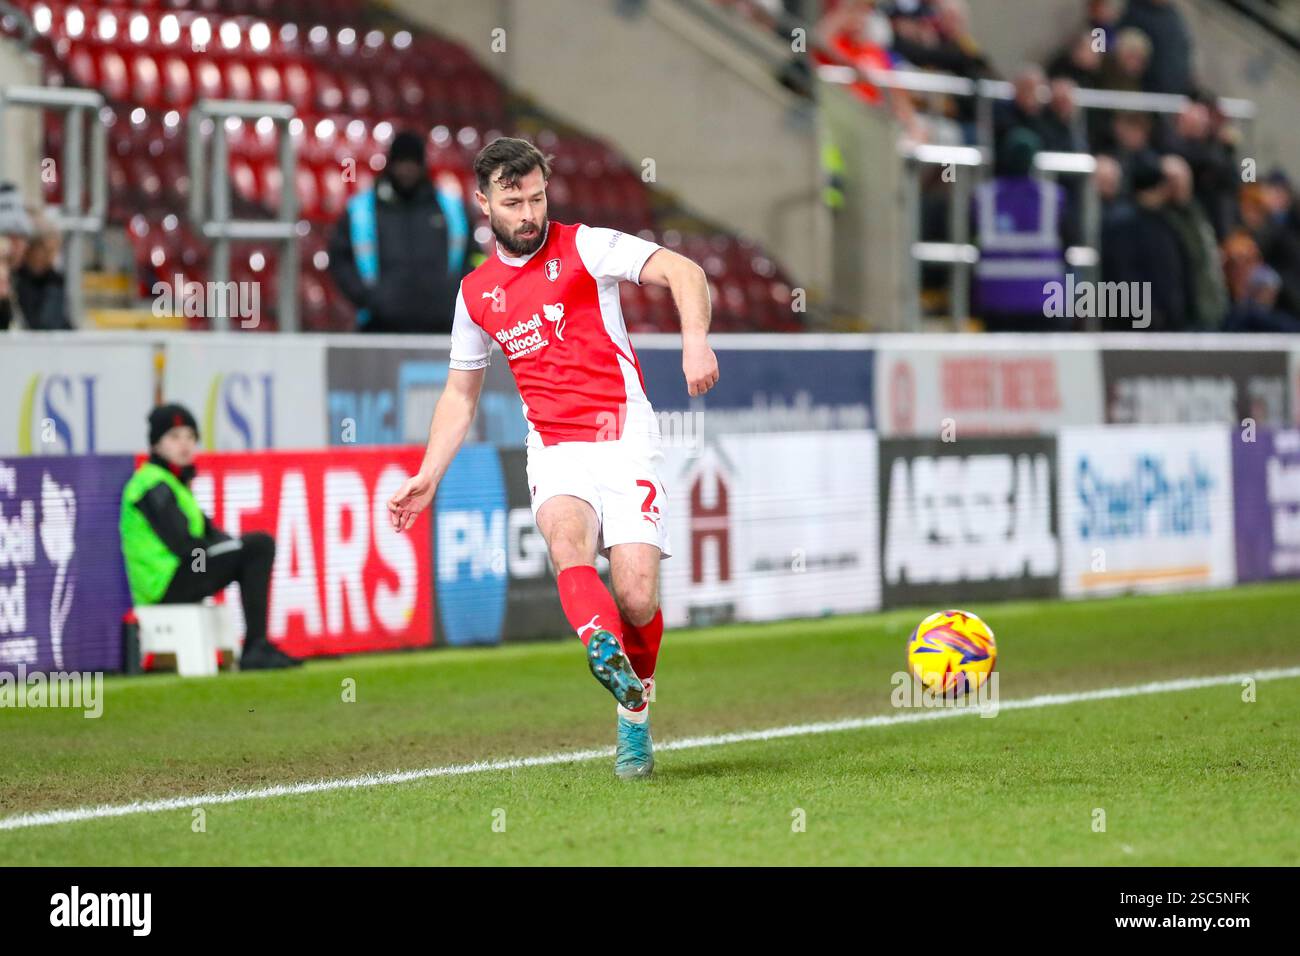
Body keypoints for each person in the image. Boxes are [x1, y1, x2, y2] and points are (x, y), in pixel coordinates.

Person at [387, 137, 719, 779]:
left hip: (625, 437)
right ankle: (599, 645)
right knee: (567, 541)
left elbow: (687, 272)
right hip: (556, 445)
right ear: (483, 203)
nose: (529, 212)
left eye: (537, 197)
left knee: (638, 597)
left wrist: (695, 345)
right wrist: (429, 474)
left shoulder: (586, 246)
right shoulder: (476, 295)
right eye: (513, 201)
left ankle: (634, 718)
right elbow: (461, 394)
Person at [120, 404, 300, 670]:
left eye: (190, 437)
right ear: (156, 445)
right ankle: (255, 647)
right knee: (259, 546)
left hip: (184, 573)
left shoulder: (174, 484)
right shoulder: (150, 484)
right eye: (174, 437)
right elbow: (184, 544)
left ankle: (256, 646)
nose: (184, 444)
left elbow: (211, 535)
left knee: (248, 548)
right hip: (166, 585)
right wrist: (226, 554)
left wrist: (227, 551)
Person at [328, 129, 472, 334]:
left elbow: (475, 257)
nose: (407, 170)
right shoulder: (361, 210)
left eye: (412, 163)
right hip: (378, 328)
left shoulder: (452, 210)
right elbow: (339, 260)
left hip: (442, 328)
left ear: (422, 166)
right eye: (401, 163)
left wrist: (453, 297)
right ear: (390, 164)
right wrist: (368, 299)